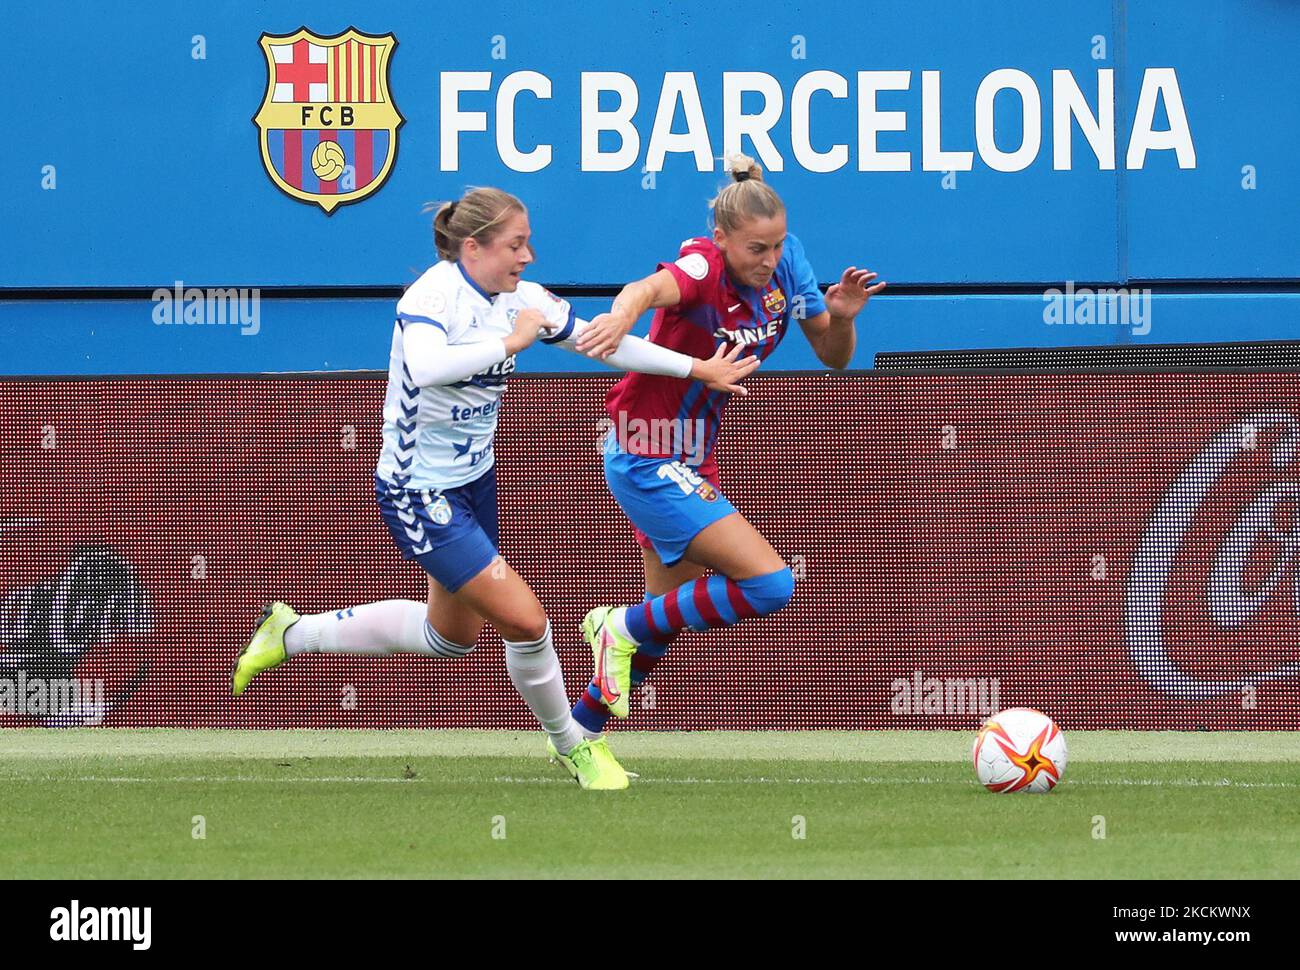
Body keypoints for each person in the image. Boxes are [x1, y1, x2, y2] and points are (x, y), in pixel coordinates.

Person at [231, 187, 758, 790]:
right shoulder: (431, 296)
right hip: (418, 490)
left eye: (528, 243)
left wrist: (699, 368)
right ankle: (574, 747)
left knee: (449, 638)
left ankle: (291, 633)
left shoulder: (520, 298)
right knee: (529, 622)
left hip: (474, 482)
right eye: (516, 244)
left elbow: (604, 344)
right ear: (473, 248)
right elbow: (427, 367)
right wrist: (512, 342)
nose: (528, 256)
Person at [568, 156, 885, 736]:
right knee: (770, 584)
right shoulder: (702, 267)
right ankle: (617, 626)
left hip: (690, 455)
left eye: (776, 245)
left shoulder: (788, 264)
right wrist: (618, 318)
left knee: (660, 626)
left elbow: (834, 356)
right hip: (644, 449)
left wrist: (840, 319)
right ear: (721, 239)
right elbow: (643, 290)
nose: (768, 261)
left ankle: (578, 737)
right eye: (755, 250)